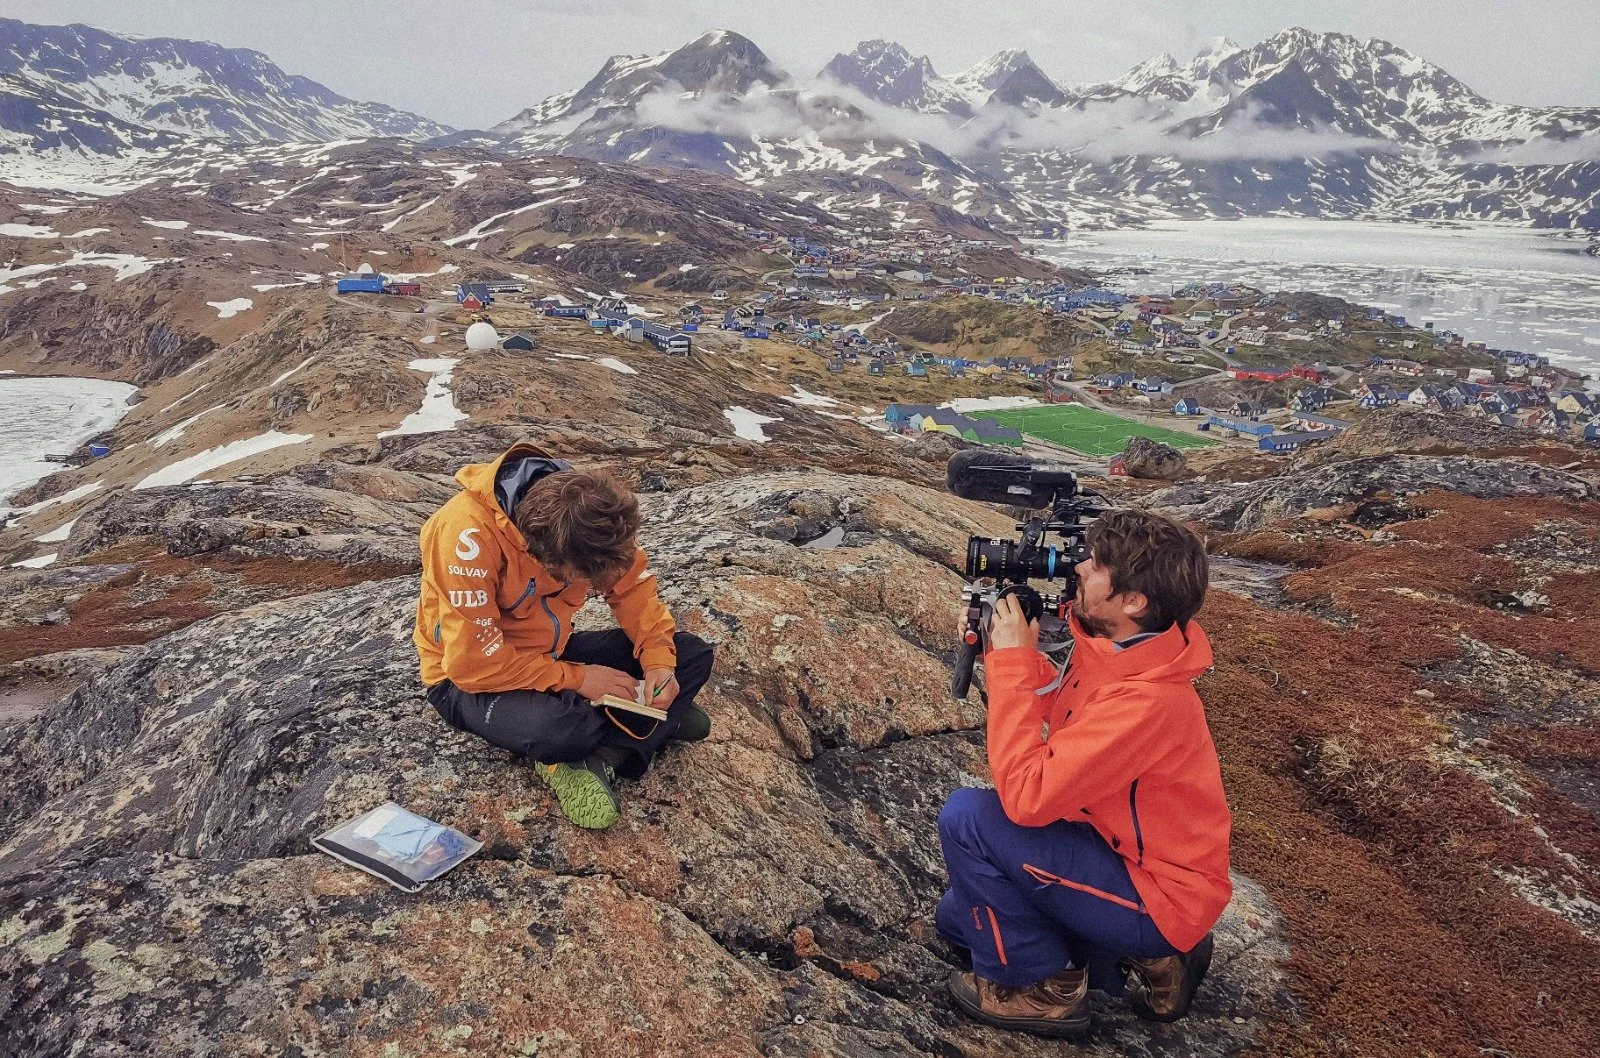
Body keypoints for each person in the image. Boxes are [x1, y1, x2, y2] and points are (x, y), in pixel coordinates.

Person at [936, 508, 1230, 1039]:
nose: (1077, 568)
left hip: (1156, 891)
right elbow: (1062, 708)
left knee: (967, 819)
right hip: (1114, 852)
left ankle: (1047, 990)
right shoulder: (1131, 654)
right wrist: (1001, 653)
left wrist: (1012, 664)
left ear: (1134, 602)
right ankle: (1143, 956)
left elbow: (1027, 796)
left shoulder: (1150, 702)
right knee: (956, 920)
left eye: (1094, 565)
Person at [414, 442, 714, 830]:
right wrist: (580, 678)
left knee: (691, 655)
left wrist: (657, 661)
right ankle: (636, 731)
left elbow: (633, 593)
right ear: (541, 555)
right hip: (467, 679)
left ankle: (610, 750)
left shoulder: (593, 519)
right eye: (579, 578)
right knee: (562, 730)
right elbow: (473, 664)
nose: (590, 587)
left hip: (550, 652)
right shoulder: (464, 535)